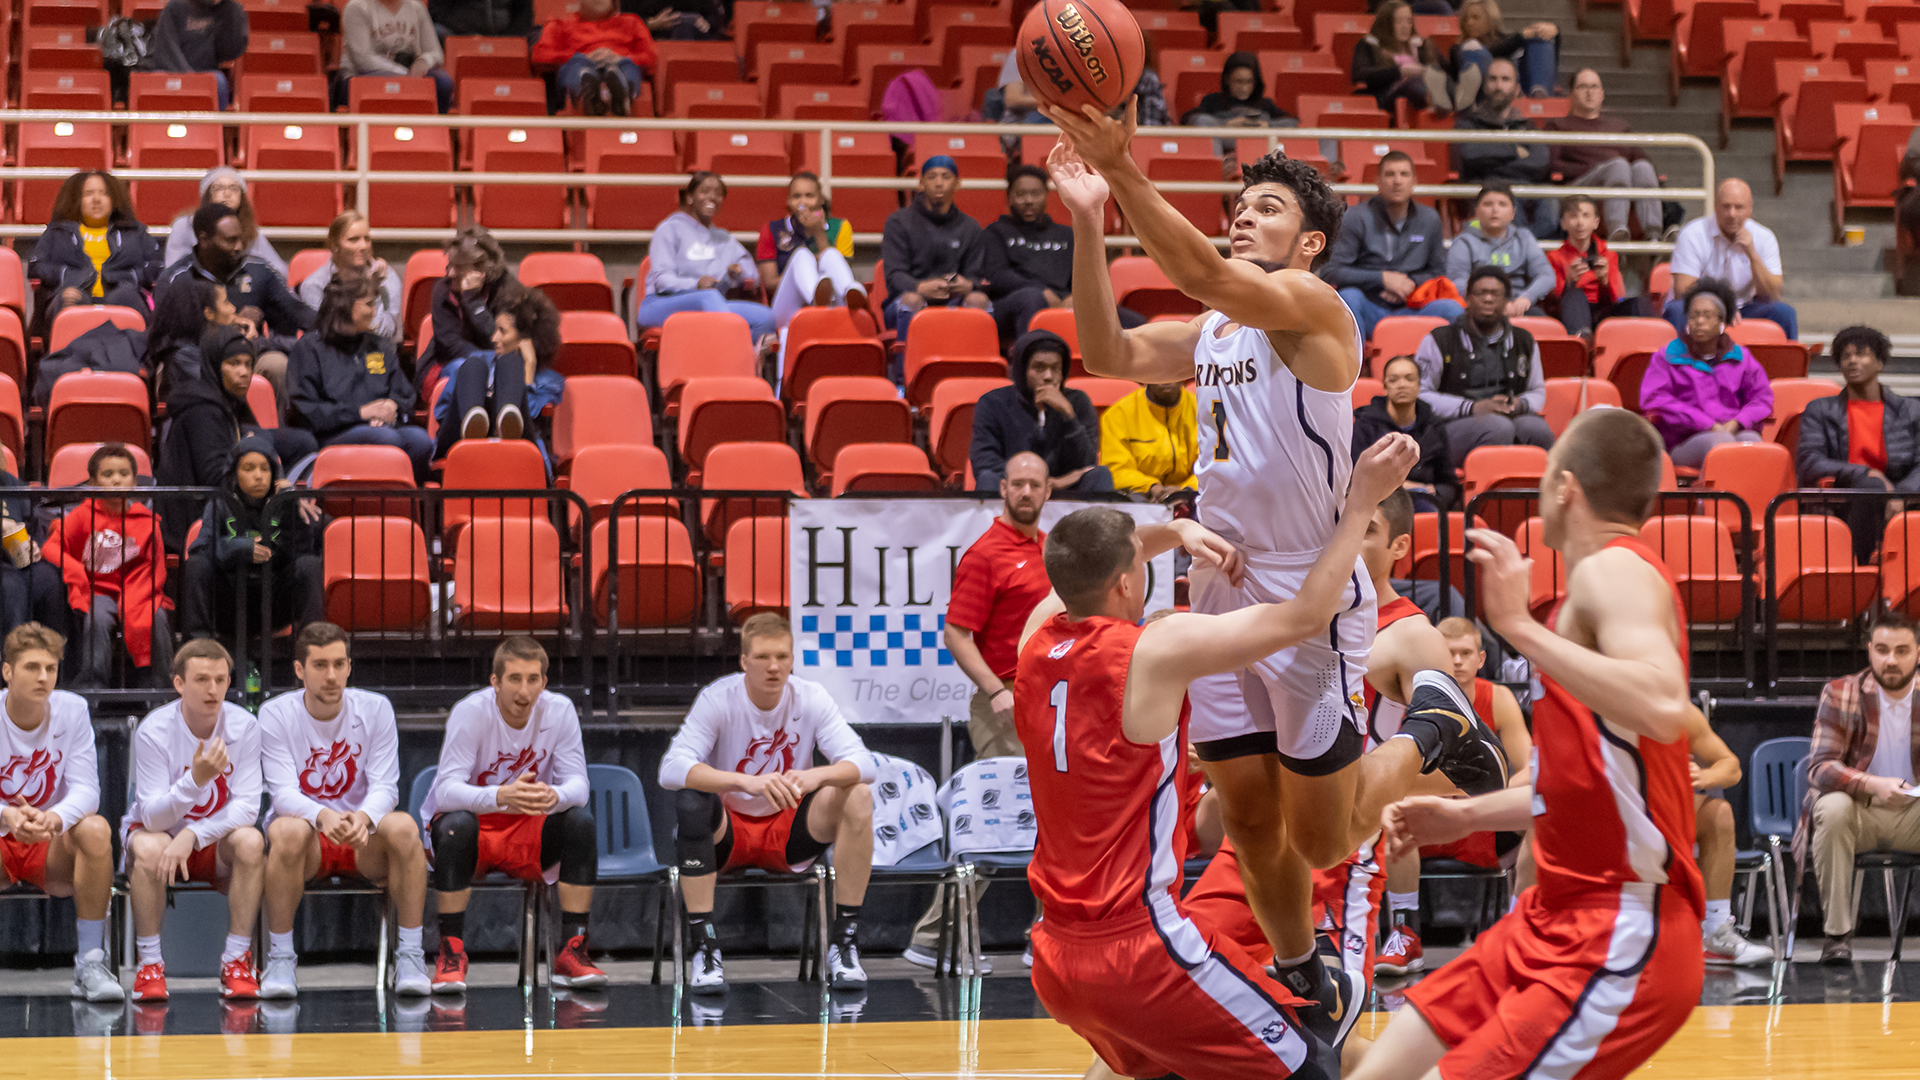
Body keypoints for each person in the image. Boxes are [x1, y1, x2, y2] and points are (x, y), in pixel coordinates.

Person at [1043, 103, 1507, 1049]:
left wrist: (1121, 165)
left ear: (1311, 242)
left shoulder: (1316, 309)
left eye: (1265, 208)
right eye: (1240, 203)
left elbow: (1203, 268)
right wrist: (1092, 224)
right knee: (1248, 821)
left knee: (1328, 837)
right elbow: (1105, 354)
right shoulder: (1213, 329)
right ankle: (1305, 969)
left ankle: (1435, 720)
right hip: (1219, 584)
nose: (1243, 216)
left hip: (1310, 587)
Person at [1016, 435, 1419, 1080]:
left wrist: (1173, 533)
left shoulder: (1033, 642)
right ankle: (1432, 734)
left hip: (1054, 955)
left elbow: (1081, 569)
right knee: (1311, 1066)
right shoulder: (1155, 646)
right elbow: (1307, 614)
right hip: (1140, 946)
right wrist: (1358, 505)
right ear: (1127, 581)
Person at [1355, 408, 1703, 1080]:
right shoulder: (1593, 596)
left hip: (1620, 927)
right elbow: (1580, 780)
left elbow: (1665, 708)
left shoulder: (1614, 572)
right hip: (1549, 915)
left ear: (1565, 488)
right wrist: (1463, 815)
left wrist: (1517, 625)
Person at [660, 613, 877, 992]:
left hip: (790, 830)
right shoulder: (719, 698)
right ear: (744, 662)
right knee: (692, 800)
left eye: (782, 657)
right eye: (762, 657)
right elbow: (671, 768)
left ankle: (845, 942)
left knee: (857, 792)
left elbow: (864, 763)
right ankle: (705, 948)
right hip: (729, 833)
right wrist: (745, 781)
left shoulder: (811, 698)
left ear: (793, 660)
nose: (773, 667)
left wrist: (815, 775)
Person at [901, 450, 1052, 971]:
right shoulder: (987, 554)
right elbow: (955, 633)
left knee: (1049, 827)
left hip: (1049, 705)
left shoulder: (1051, 551)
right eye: (1018, 484)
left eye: (1035, 484)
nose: (1027, 492)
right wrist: (995, 690)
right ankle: (931, 939)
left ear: (1048, 491)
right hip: (1004, 705)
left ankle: (1046, 940)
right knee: (998, 827)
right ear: (1003, 490)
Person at [422, 637, 606, 992]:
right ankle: (451, 952)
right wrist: (501, 796)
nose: (524, 690)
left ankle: (572, 950)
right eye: (515, 679)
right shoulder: (471, 711)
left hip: (529, 827)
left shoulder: (560, 710)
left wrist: (554, 795)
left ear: (544, 682)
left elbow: (579, 786)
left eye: (533, 679)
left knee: (580, 821)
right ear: (495, 682)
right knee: (456, 826)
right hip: (474, 830)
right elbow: (445, 791)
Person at [258, 623, 431, 998]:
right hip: (308, 842)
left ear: (350, 666)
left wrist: (363, 818)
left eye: (339, 664)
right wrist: (323, 816)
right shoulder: (274, 714)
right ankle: (281, 958)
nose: (332, 675)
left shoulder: (375, 708)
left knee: (404, 827)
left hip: (362, 838)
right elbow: (283, 792)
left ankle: (412, 955)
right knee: (285, 830)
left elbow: (387, 785)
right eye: (320, 665)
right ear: (299, 670)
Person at [1374, 615, 1532, 977]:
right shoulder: (1404, 695)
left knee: (1542, 810)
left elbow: (1529, 767)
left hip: (1481, 820)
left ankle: (1522, 926)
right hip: (1421, 814)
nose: (1457, 661)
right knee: (1394, 813)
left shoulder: (1500, 698)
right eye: (1449, 654)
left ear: (1480, 659)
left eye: (1465, 653)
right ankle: (1404, 933)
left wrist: (1483, 802)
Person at [122, 639, 266, 1002]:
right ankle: (150, 965)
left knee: (251, 842)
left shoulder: (244, 727)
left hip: (210, 842)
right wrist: (195, 780)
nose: (213, 689)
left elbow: (248, 807)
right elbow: (152, 817)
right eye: (202, 679)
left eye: (221, 679)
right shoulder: (154, 730)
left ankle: (236, 960)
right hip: (161, 839)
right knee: (150, 845)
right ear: (179, 684)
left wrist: (195, 835)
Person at [0, 624, 122, 1003]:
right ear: (7, 672)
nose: (43, 677)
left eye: (51, 669)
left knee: (96, 829)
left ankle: (89, 963)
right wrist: (6, 815)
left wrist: (54, 819)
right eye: (32, 667)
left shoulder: (72, 710)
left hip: (49, 844)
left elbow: (87, 790)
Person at [1798, 613, 1920, 965]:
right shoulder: (1842, 692)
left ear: (1917, 653)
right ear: (1869, 651)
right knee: (1832, 807)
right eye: (1882, 650)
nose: (1891, 660)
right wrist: (1872, 784)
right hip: (1859, 812)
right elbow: (1820, 768)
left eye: (1901, 650)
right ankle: (1837, 937)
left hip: (1912, 815)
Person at [158, 327, 319, 552]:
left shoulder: (226, 402)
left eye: (248, 364)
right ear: (215, 365)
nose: (244, 372)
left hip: (230, 506)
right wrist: (276, 495)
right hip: (206, 522)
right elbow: (215, 476)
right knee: (314, 527)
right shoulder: (203, 411)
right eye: (233, 363)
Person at [157, 202, 315, 411]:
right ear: (204, 240)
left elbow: (299, 315)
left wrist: (340, 326)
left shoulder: (258, 270)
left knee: (277, 365)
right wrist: (232, 335)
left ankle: (277, 437)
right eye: (231, 241)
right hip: (193, 366)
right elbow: (169, 346)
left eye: (241, 239)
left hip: (249, 357)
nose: (239, 247)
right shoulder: (178, 280)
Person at [45, 444, 174, 689]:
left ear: (135, 481)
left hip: (139, 591)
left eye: (124, 474)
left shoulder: (148, 521)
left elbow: (155, 570)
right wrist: (78, 575)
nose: (117, 480)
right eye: (108, 475)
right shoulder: (82, 515)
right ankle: (93, 687)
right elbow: (51, 548)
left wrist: (134, 599)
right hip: (97, 589)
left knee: (155, 616)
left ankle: (159, 688)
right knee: (98, 618)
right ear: (93, 482)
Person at [179, 435, 323, 647]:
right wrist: (238, 548)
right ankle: (197, 649)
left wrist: (290, 505)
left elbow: (302, 553)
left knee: (309, 565)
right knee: (197, 565)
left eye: (265, 469)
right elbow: (200, 549)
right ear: (234, 474)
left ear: (274, 473)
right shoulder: (220, 502)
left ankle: (314, 649)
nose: (258, 476)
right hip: (230, 603)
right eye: (249, 468)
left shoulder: (286, 502)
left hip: (272, 602)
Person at [288, 272, 432, 481]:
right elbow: (307, 411)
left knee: (421, 441)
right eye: (368, 304)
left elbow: (404, 393)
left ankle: (410, 509)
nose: (374, 312)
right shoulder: (310, 348)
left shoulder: (379, 345)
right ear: (345, 306)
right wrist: (361, 413)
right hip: (330, 433)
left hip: (381, 427)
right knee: (386, 438)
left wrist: (393, 405)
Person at [1796, 325, 1920, 565]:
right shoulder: (1820, 410)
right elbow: (1809, 461)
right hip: (1844, 500)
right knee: (1870, 485)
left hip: (1901, 499)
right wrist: (1867, 473)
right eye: (1845, 356)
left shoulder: (1911, 411)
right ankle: (1861, 570)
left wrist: (1900, 495)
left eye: (1861, 354)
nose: (1852, 361)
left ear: (1879, 363)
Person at [1414, 266, 1553, 469]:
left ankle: (1529, 494)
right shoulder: (1439, 339)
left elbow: (1538, 390)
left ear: (1506, 301)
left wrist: (1518, 404)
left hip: (1507, 415)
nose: (1488, 299)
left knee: (1537, 430)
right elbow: (1420, 394)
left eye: (1495, 294)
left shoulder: (1524, 340)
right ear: (1467, 299)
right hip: (1449, 425)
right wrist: (1473, 407)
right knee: (1498, 427)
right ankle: (1484, 495)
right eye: (1481, 293)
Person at [1324, 151, 1465, 341]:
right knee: (1348, 297)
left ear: (1414, 181)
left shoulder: (1430, 219)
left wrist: (1408, 283)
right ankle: (1353, 367)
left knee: (1453, 309)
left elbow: (1437, 272)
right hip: (1369, 306)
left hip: (1413, 305)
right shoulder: (1356, 217)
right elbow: (1331, 271)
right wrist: (1382, 279)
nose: (1397, 181)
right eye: (1390, 174)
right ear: (1378, 182)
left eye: (1404, 174)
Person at [1639, 277, 1772, 469]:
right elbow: (1655, 398)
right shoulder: (1667, 356)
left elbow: (1762, 398)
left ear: (1722, 322)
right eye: (1694, 316)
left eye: (1707, 316)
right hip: (1683, 441)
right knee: (1720, 443)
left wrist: (1737, 422)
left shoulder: (1741, 357)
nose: (1699, 321)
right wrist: (1707, 424)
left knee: (1752, 442)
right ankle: (1717, 499)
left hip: (1731, 430)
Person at [1681, 703, 1775, 967]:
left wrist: (1704, 775)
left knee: (1719, 813)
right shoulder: (1591, 702)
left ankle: (1716, 930)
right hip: (1611, 815)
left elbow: (1731, 766)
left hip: (1665, 813)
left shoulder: (1678, 711)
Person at [430, 284, 564, 465]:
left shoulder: (550, 381)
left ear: (527, 340)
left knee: (509, 363)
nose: (494, 339)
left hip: (519, 455)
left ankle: (506, 418)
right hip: (460, 442)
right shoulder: (475, 362)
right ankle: (474, 423)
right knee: (474, 364)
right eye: (495, 330)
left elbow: (531, 416)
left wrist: (528, 371)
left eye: (503, 331)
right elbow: (442, 413)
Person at [639, 173, 777, 348]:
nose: (712, 197)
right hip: (660, 305)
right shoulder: (668, 229)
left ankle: (744, 363)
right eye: (704, 191)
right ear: (690, 197)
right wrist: (696, 284)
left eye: (718, 193)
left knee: (765, 317)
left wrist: (738, 272)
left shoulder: (724, 238)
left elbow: (753, 276)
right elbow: (662, 281)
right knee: (708, 297)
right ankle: (728, 358)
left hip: (714, 306)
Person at [971, 331, 1111, 493]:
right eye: (1039, 368)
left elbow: (1087, 464)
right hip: (1015, 490)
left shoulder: (1078, 402)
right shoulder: (993, 403)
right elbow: (984, 462)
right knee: (988, 479)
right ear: (1023, 370)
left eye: (1055, 368)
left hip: (1065, 492)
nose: (1048, 376)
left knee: (1101, 475)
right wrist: (1041, 482)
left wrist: (1068, 416)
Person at [878, 157, 992, 352]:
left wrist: (966, 284)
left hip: (954, 299)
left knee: (979, 301)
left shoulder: (970, 227)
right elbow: (894, 274)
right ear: (921, 183)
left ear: (957, 183)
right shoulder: (898, 222)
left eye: (946, 177)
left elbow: (977, 276)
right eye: (931, 177)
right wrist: (920, 287)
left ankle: (978, 368)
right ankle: (903, 378)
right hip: (906, 300)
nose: (938, 183)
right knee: (912, 300)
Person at [1543, 70, 1669, 242]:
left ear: (1602, 94)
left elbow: (1643, 159)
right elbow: (1553, 165)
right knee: (1618, 165)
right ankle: (1617, 232)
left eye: (1594, 87)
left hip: (1620, 179)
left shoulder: (1620, 126)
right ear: (1571, 94)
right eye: (1583, 87)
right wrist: (1598, 168)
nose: (1589, 92)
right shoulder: (1557, 125)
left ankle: (1654, 237)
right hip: (1580, 183)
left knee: (1643, 167)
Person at [1666, 178, 1797, 339]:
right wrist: (1721, 306)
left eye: (1739, 207)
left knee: (1784, 313)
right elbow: (1683, 290)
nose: (1732, 214)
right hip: (1700, 306)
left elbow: (1773, 292)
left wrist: (1752, 253)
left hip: (1745, 308)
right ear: (1715, 207)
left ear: (1750, 210)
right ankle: (1678, 363)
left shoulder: (1764, 237)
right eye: (1726, 206)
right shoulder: (1692, 234)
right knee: (1677, 309)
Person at [31, 171, 162, 324]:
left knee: (125, 297)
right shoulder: (57, 232)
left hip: (122, 295)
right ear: (77, 199)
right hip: (73, 293)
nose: (96, 200)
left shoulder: (134, 232)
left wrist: (127, 279)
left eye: (104, 194)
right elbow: (37, 267)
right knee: (70, 298)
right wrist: (68, 280)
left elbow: (156, 266)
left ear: (114, 199)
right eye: (88, 194)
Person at [1452, 63, 1557, 241]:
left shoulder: (1528, 125)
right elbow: (1471, 155)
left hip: (1530, 188)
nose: (1498, 86)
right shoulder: (1467, 123)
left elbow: (1541, 162)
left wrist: (1493, 154)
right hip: (1490, 189)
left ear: (1516, 89)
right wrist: (1514, 149)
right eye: (1493, 79)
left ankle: (1523, 245)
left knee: (1552, 207)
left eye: (1505, 79)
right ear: (1484, 86)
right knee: (1506, 201)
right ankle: (1522, 251)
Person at [755, 173, 863, 333]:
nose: (802, 202)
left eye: (809, 196)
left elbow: (840, 270)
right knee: (801, 256)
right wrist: (804, 267)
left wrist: (818, 233)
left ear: (821, 199)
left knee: (831, 255)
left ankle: (850, 292)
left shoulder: (840, 227)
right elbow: (770, 283)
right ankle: (815, 297)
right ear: (789, 201)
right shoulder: (772, 230)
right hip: (787, 309)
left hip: (833, 305)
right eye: (796, 196)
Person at [982, 165, 1076, 343]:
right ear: (1009, 198)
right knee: (1031, 298)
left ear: (1046, 196)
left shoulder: (1067, 235)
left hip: (1062, 300)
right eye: (1021, 194)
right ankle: (1030, 359)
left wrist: (1075, 297)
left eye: (1035, 194)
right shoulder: (996, 232)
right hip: (1011, 305)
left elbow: (1082, 276)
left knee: (1132, 320)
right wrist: (1042, 291)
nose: (1029, 200)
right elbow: (998, 276)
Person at [1353, 354, 1455, 511]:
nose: (1402, 385)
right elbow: (1355, 477)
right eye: (1394, 380)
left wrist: (1428, 490)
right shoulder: (1365, 425)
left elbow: (1449, 484)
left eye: (1409, 379)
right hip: (1378, 503)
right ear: (1385, 387)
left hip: (1423, 502)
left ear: (1419, 386)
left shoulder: (1434, 426)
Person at [418, 226, 516, 388]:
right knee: (467, 370)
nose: (450, 273)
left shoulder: (506, 290)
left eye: (459, 267)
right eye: (450, 265)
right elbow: (451, 345)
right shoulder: (442, 290)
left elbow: (501, 339)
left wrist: (473, 302)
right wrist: (485, 359)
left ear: (482, 269)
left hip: (497, 361)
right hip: (449, 363)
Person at [530, 0, 658, 117]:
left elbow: (650, 57)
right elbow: (540, 55)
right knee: (578, 64)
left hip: (619, 65)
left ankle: (621, 98)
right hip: (579, 66)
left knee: (627, 65)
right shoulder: (560, 24)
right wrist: (582, 56)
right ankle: (590, 100)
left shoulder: (632, 22)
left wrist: (619, 57)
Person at [1547, 193, 1648, 342]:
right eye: (1574, 216)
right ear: (1563, 223)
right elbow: (1552, 302)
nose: (1580, 222)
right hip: (1572, 311)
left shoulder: (1609, 255)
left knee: (1639, 303)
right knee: (1576, 295)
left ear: (1596, 222)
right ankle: (1581, 344)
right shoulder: (1554, 256)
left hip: (1601, 309)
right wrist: (1569, 282)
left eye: (1586, 216)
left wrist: (1604, 281)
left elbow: (1615, 298)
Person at [1445, 184, 1554, 314]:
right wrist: (1495, 303)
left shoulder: (1524, 237)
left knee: (1542, 321)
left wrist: (1526, 297)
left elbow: (1546, 276)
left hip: (1518, 305)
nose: (1495, 210)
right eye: (1488, 204)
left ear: (1513, 213)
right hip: (1479, 307)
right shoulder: (1463, 242)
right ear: (1477, 211)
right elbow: (1458, 283)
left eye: (1502, 204)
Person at [162, 167, 288, 278]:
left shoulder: (248, 228)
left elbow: (280, 271)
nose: (227, 194)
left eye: (234, 188)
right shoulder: (184, 226)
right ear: (207, 195)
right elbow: (173, 270)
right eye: (219, 188)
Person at [298, 211, 405, 341]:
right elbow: (321, 335)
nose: (363, 246)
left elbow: (388, 334)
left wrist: (373, 289)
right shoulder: (314, 285)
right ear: (335, 245)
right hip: (332, 356)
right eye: (353, 240)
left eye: (367, 239)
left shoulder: (387, 278)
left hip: (376, 355)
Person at [338, 0, 452, 112]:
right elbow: (362, 60)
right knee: (397, 84)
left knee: (443, 82)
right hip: (364, 75)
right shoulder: (357, 7)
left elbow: (436, 53)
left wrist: (424, 61)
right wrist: (403, 74)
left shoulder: (416, 7)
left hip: (410, 71)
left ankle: (436, 127)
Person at [1100, 382, 1198, 500]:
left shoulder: (1204, 410)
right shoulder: (1118, 414)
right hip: (1140, 496)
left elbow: (1214, 464)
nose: (1166, 378)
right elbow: (1116, 470)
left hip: (1195, 496)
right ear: (1146, 376)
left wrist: (1185, 489)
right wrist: (1151, 487)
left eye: (1172, 369)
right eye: (1159, 371)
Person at [144, 0, 248, 110]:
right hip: (172, 73)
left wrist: (230, 9)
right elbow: (167, 52)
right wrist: (192, 80)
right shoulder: (174, 7)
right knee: (215, 81)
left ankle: (214, 126)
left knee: (219, 81)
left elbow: (230, 52)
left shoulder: (223, 10)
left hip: (206, 75)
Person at [1351, 2, 1450, 114]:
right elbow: (1361, 75)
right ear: (1386, 23)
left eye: (1409, 21)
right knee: (1413, 83)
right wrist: (1400, 71)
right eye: (1398, 21)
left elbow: (1443, 70)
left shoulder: (1421, 45)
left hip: (1419, 95)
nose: (1405, 26)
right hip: (1386, 98)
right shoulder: (1370, 45)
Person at [1450, 0, 1558, 102]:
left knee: (1539, 38)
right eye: (1465, 19)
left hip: (1515, 91)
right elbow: (1494, 52)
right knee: (1473, 47)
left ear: (1490, 19)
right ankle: (1468, 104)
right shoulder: (1458, 50)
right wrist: (1520, 37)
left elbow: (1501, 48)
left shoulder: (1507, 41)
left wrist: (1554, 32)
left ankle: (1539, 92)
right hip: (1483, 97)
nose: (1469, 23)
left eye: (1475, 18)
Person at [427, 0, 529, 38]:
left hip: (504, 37)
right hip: (457, 35)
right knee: (435, 32)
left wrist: (507, 37)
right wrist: (468, 35)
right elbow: (437, 12)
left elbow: (523, 14)